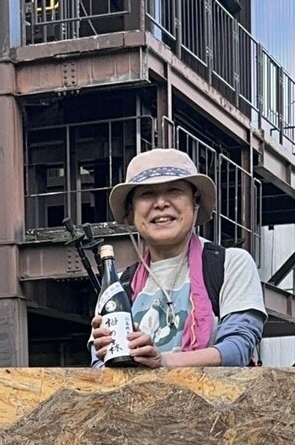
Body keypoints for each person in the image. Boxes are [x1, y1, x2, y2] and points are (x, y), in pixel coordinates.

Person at [90, 148, 265, 370]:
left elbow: (238, 349)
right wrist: (107, 353)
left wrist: (161, 362)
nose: (161, 203)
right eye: (147, 194)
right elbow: (98, 364)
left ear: (195, 201)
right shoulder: (118, 286)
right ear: (131, 212)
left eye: (174, 191)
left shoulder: (230, 264)